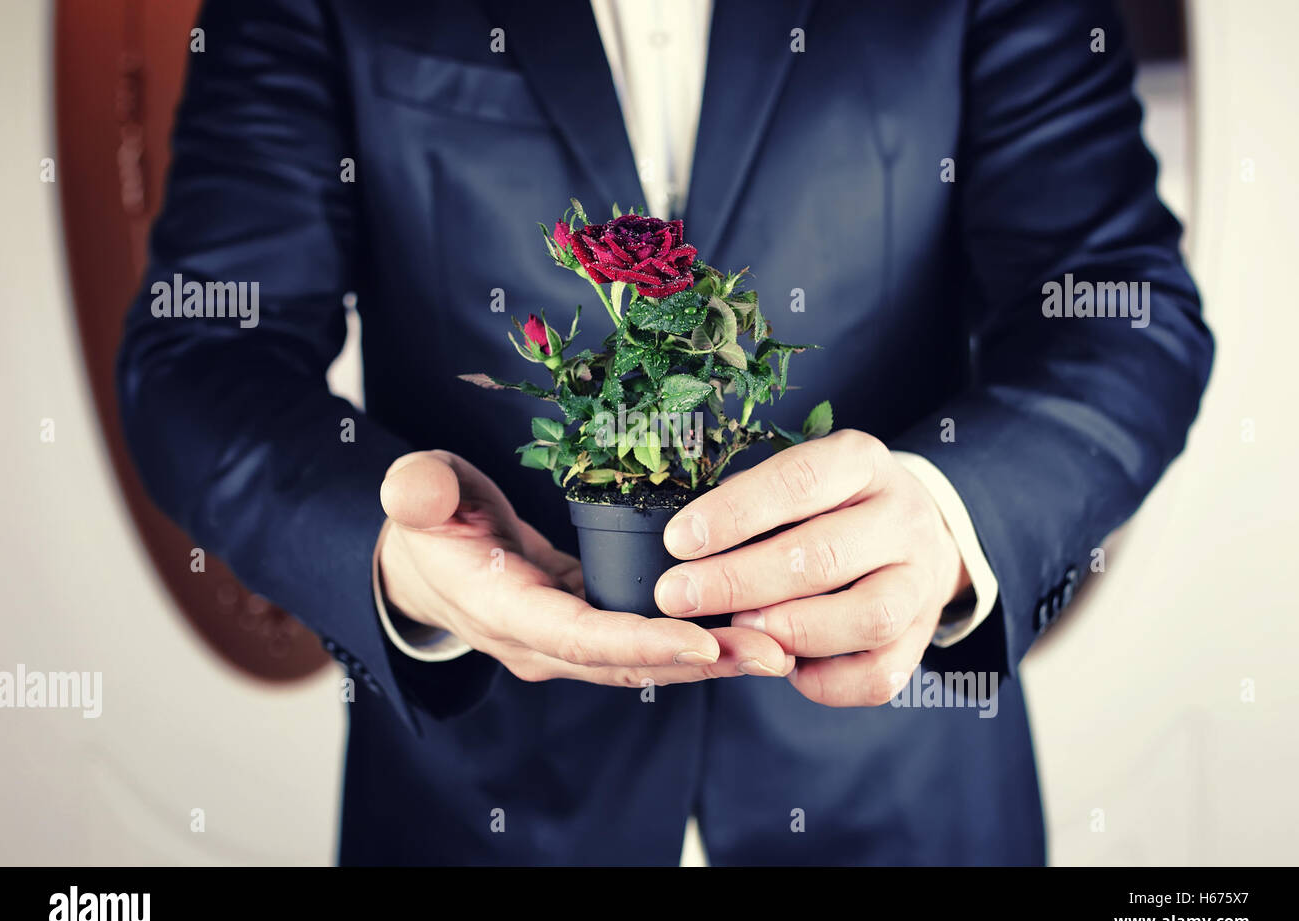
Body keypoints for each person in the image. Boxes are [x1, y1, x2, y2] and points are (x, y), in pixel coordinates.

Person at [118, 0, 1212, 864]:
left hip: (897, 799)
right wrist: (392, 546)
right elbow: (205, 350)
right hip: (487, 802)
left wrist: (947, 509)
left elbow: (1118, 301)